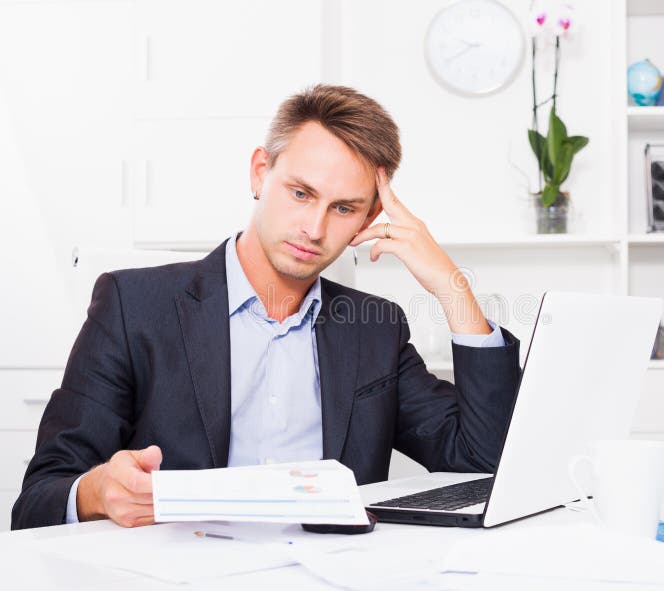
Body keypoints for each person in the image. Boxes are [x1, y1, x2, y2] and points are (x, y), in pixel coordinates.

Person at [11, 85, 521, 530]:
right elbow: (36, 500)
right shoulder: (133, 305)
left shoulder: (376, 330)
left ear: (370, 217)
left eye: (344, 208)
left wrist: (453, 289)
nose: (316, 228)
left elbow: (481, 463)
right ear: (260, 173)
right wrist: (98, 492)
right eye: (301, 193)